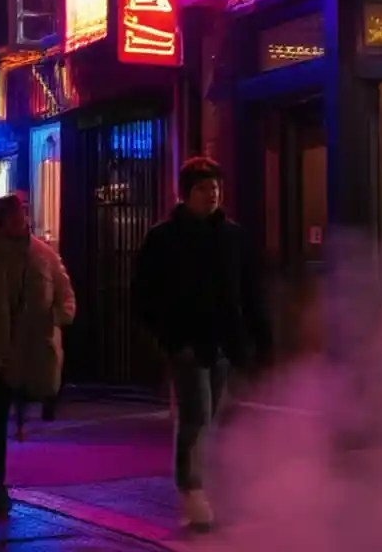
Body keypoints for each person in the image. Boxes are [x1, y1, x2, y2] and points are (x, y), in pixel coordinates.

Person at [134, 156, 272, 531]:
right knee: (196, 416)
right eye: (203, 188)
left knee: (215, 417)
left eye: (215, 188)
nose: (211, 195)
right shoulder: (164, 238)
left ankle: (206, 486)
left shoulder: (233, 236)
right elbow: (144, 294)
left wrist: (259, 341)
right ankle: (192, 490)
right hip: (188, 342)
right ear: (186, 193)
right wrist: (168, 336)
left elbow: (251, 291)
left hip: (225, 341)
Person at [0, 193, 74, 516]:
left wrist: (60, 317)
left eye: (23, 214)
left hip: (33, 346)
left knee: (25, 400)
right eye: (17, 215)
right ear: (1, 220)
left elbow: (65, 295)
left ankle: (5, 465)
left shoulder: (43, 255)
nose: (23, 220)